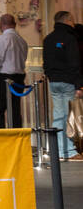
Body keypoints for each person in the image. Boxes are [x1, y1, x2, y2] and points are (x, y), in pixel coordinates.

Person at [43, 11, 83, 164]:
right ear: (68, 20)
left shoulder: (48, 39)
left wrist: (50, 75)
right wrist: (78, 85)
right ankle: (68, 151)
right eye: (72, 21)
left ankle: (57, 149)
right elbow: (75, 63)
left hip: (54, 82)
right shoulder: (70, 38)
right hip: (67, 81)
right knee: (66, 116)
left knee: (58, 115)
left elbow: (46, 62)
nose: (73, 24)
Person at [0, 13, 29, 128]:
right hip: (18, 80)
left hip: (4, 79)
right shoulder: (22, 41)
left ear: (1, 25)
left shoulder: (2, 39)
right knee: (15, 111)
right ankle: (16, 138)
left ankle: (0, 139)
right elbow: (24, 59)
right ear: (14, 25)